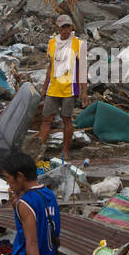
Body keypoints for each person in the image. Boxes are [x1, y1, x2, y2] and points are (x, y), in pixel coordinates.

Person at [34, 14, 84, 161]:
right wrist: (44, 88)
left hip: (69, 88)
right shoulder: (52, 43)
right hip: (53, 87)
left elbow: (82, 69)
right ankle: (40, 151)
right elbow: (50, 66)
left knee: (66, 119)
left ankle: (65, 151)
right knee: (46, 119)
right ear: (58, 28)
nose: (65, 30)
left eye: (68, 27)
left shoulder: (78, 44)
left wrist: (84, 91)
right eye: (63, 27)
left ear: (71, 27)